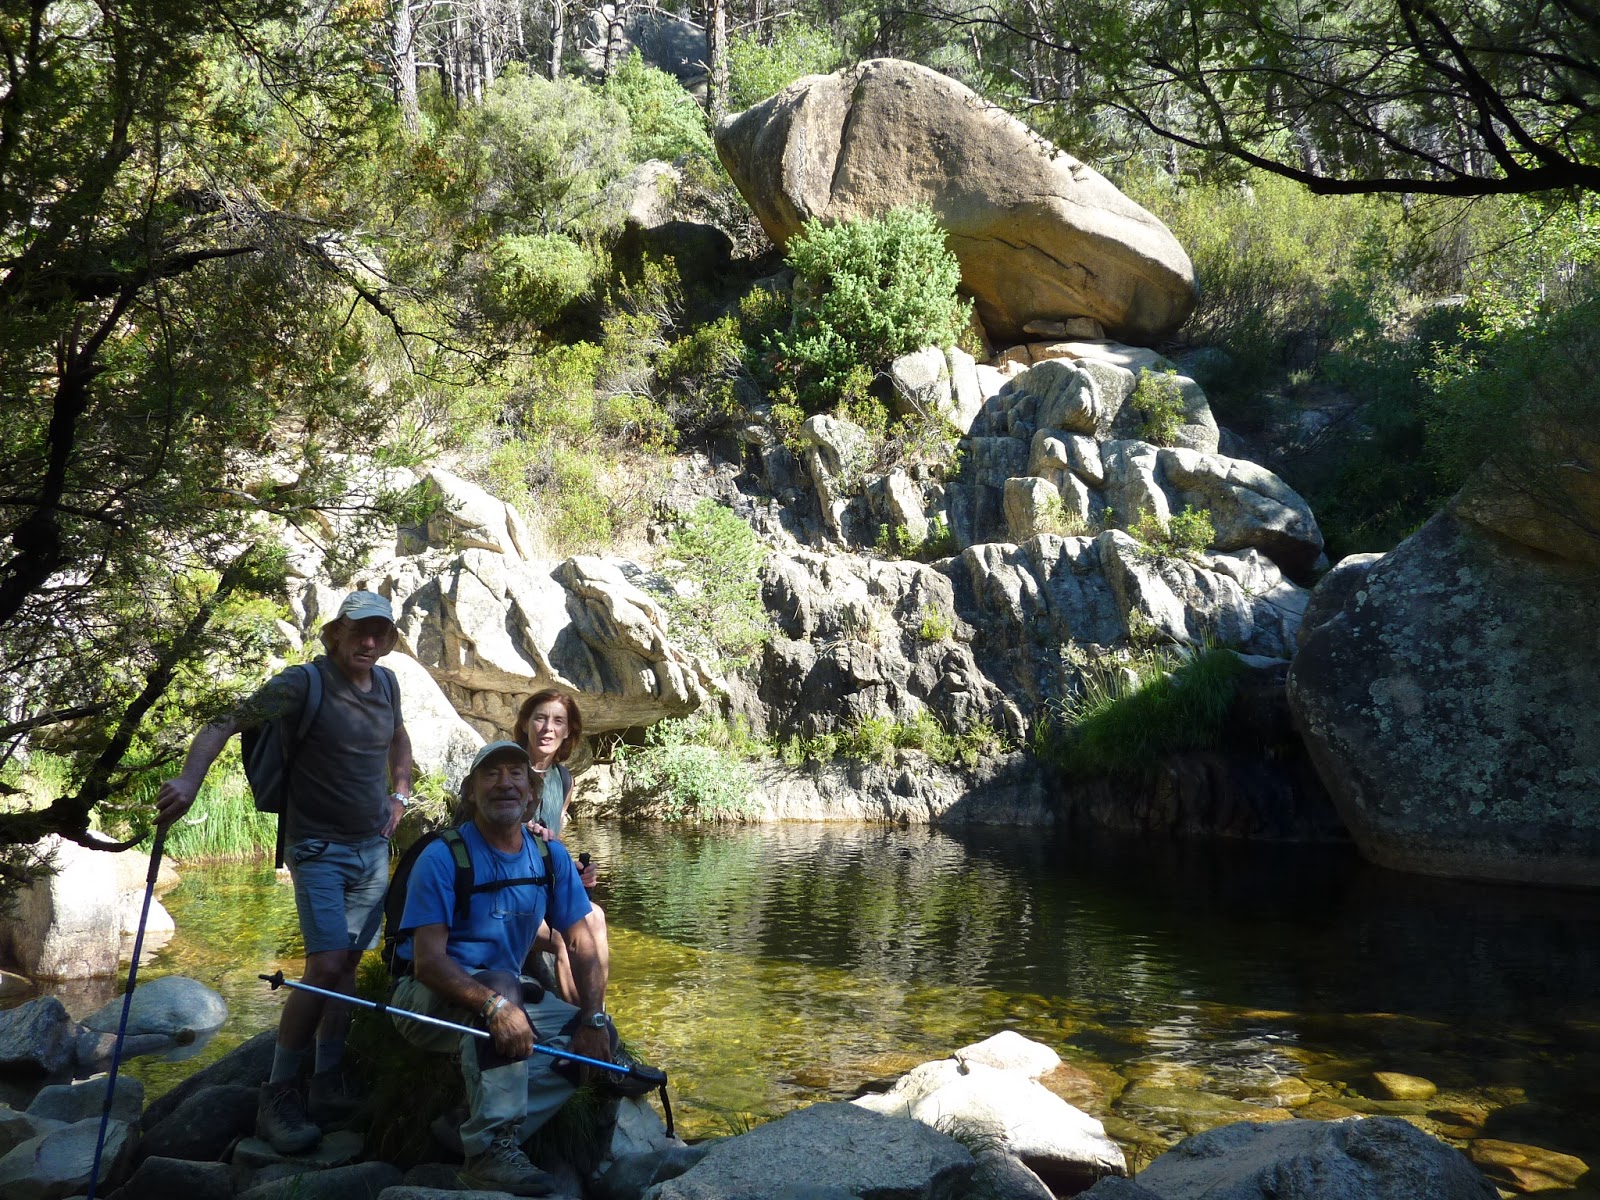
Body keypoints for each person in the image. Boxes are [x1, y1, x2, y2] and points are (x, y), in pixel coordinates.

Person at [155, 590, 413, 1153]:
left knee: (346, 964)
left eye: (380, 633)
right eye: (360, 631)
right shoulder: (303, 683)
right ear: (336, 634)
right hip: (316, 847)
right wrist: (190, 782)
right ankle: (278, 1092)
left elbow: (398, 737)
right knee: (322, 964)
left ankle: (328, 1078)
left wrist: (400, 794)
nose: (370, 642)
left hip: (371, 848)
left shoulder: (389, 685)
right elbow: (225, 721)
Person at [389, 740, 610, 1197]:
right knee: (503, 991)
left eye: (515, 774)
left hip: (504, 987)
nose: (504, 783)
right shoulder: (442, 856)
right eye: (491, 775)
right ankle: (490, 1153)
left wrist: (593, 1017)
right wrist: (494, 1006)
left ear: (532, 793)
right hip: (422, 998)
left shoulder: (550, 856)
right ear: (471, 792)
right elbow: (428, 963)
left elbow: (580, 939)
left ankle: (470, 1125)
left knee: (590, 1049)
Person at [512, 690, 609, 1003]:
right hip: (505, 893)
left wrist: (575, 873)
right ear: (526, 723)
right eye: (540, 718)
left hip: (543, 892)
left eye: (558, 721)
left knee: (595, 916)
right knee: (567, 936)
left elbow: (554, 844)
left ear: (568, 732)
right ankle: (578, 1021)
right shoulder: (507, 768)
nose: (547, 728)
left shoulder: (563, 779)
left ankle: (596, 1015)